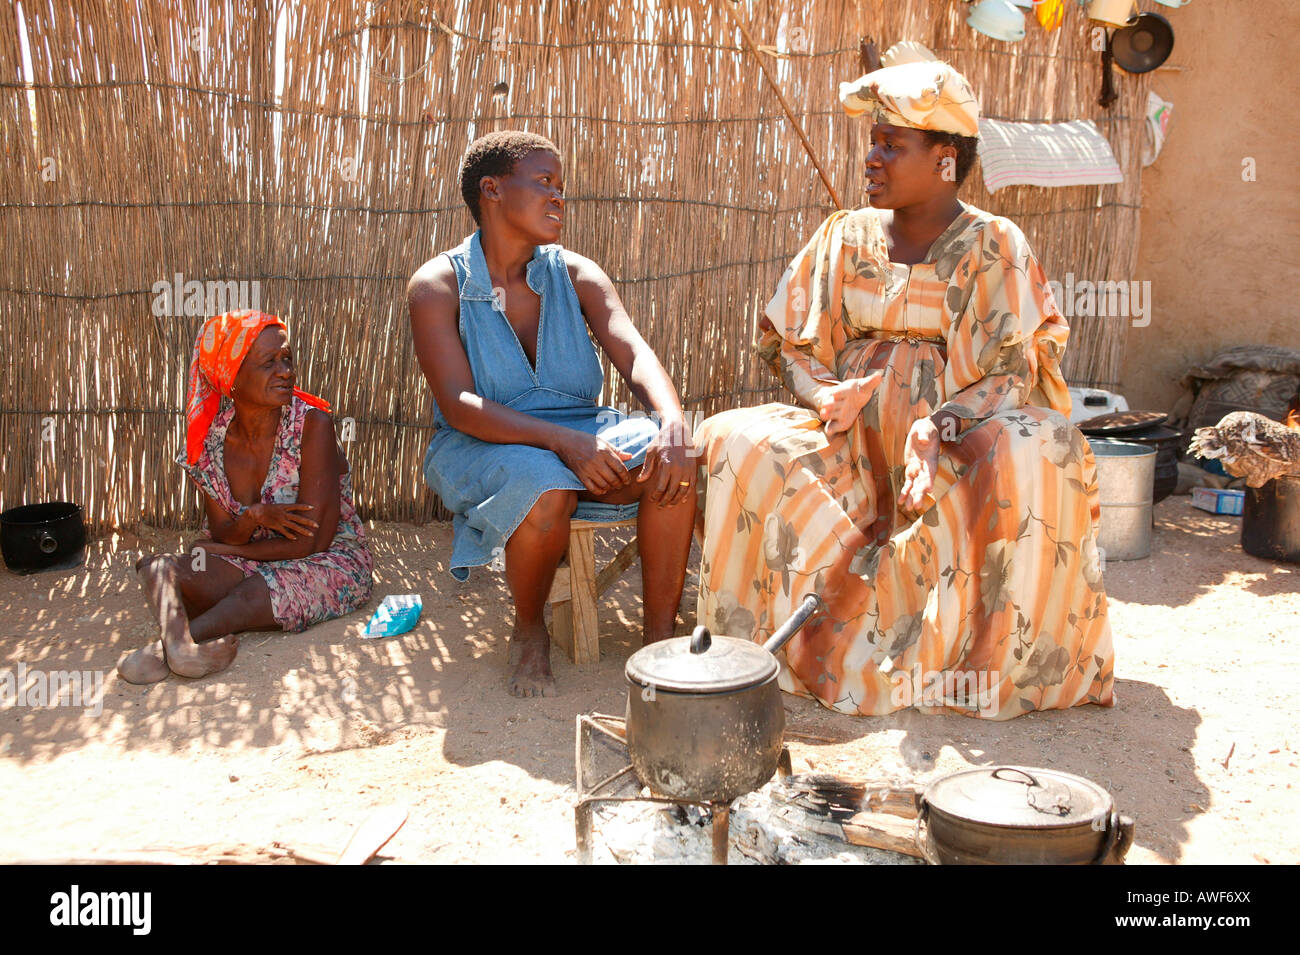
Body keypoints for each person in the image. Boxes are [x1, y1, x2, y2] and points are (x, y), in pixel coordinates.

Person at [693, 57, 1115, 719]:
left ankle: (982, 655)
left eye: (893, 145)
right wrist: (822, 394)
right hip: (853, 439)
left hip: (957, 438)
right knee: (734, 438)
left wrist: (936, 428)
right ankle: (786, 644)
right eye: (873, 142)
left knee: (1041, 445)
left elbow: (1013, 370)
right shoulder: (843, 234)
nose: (873, 158)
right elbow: (789, 343)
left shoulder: (994, 244)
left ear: (946, 159)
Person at [408, 130, 695, 698]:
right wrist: (563, 446)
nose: (559, 198)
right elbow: (459, 405)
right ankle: (530, 630)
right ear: (491, 190)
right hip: (481, 443)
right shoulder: (437, 286)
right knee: (543, 485)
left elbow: (634, 353)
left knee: (671, 458)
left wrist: (673, 423)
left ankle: (658, 640)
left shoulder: (576, 274)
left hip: (583, 434)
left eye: (562, 187)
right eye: (544, 183)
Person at [117, 310, 373, 684]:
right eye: (269, 363)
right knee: (160, 567)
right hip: (249, 557)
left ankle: (168, 648)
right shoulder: (212, 440)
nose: (285, 370)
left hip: (326, 561)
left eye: (287, 359)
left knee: (254, 591)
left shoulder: (313, 425)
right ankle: (180, 648)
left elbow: (310, 541)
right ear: (231, 377)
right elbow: (222, 535)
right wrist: (252, 518)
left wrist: (232, 551)